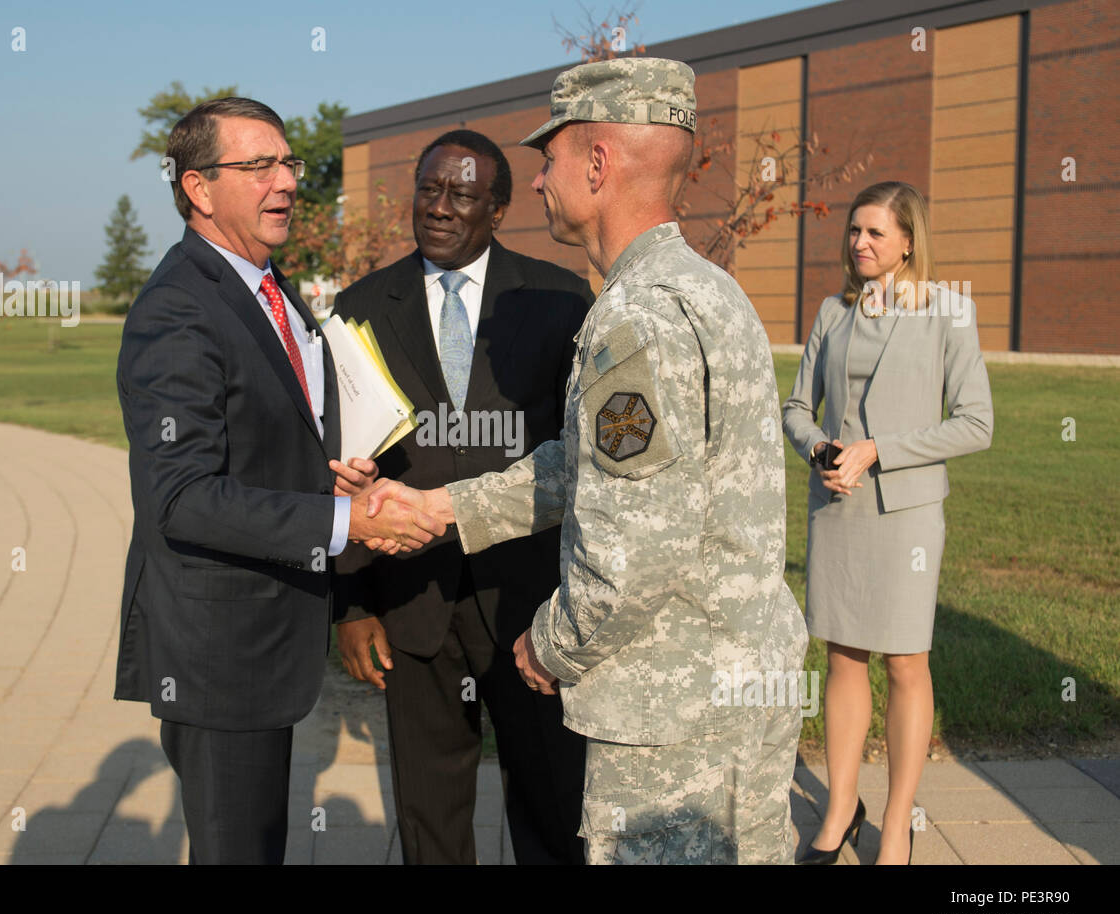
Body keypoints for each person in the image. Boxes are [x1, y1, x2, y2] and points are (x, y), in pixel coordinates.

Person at [352, 58, 809, 864]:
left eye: (548, 157)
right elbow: (593, 468)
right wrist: (445, 508)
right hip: (732, 689)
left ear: (598, 163)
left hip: (672, 713)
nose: (537, 182)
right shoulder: (705, 287)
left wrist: (552, 642)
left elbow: (633, 551)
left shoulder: (632, 319)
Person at [114, 97, 443, 865]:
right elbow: (183, 495)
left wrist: (333, 476)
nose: (287, 181)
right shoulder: (177, 309)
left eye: (288, 163)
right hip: (217, 650)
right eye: (258, 165)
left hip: (267, 639)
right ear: (198, 188)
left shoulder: (267, 284)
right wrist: (347, 525)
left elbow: (270, 435)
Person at [330, 129, 593, 865]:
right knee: (429, 813)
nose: (439, 208)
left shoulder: (558, 300)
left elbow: (586, 460)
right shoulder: (358, 310)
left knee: (551, 802)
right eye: (429, 190)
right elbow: (343, 471)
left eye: (463, 195)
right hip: (412, 607)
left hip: (529, 605)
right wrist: (352, 606)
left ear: (499, 209)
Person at [782, 181, 993, 865]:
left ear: (908, 240)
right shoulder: (831, 313)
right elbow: (794, 408)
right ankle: (841, 806)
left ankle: (897, 819)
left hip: (906, 516)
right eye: (853, 231)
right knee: (842, 655)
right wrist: (819, 447)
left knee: (906, 661)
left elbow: (976, 423)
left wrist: (882, 451)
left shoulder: (949, 313)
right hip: (838, 508)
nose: (860, 243)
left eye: (875, 232)